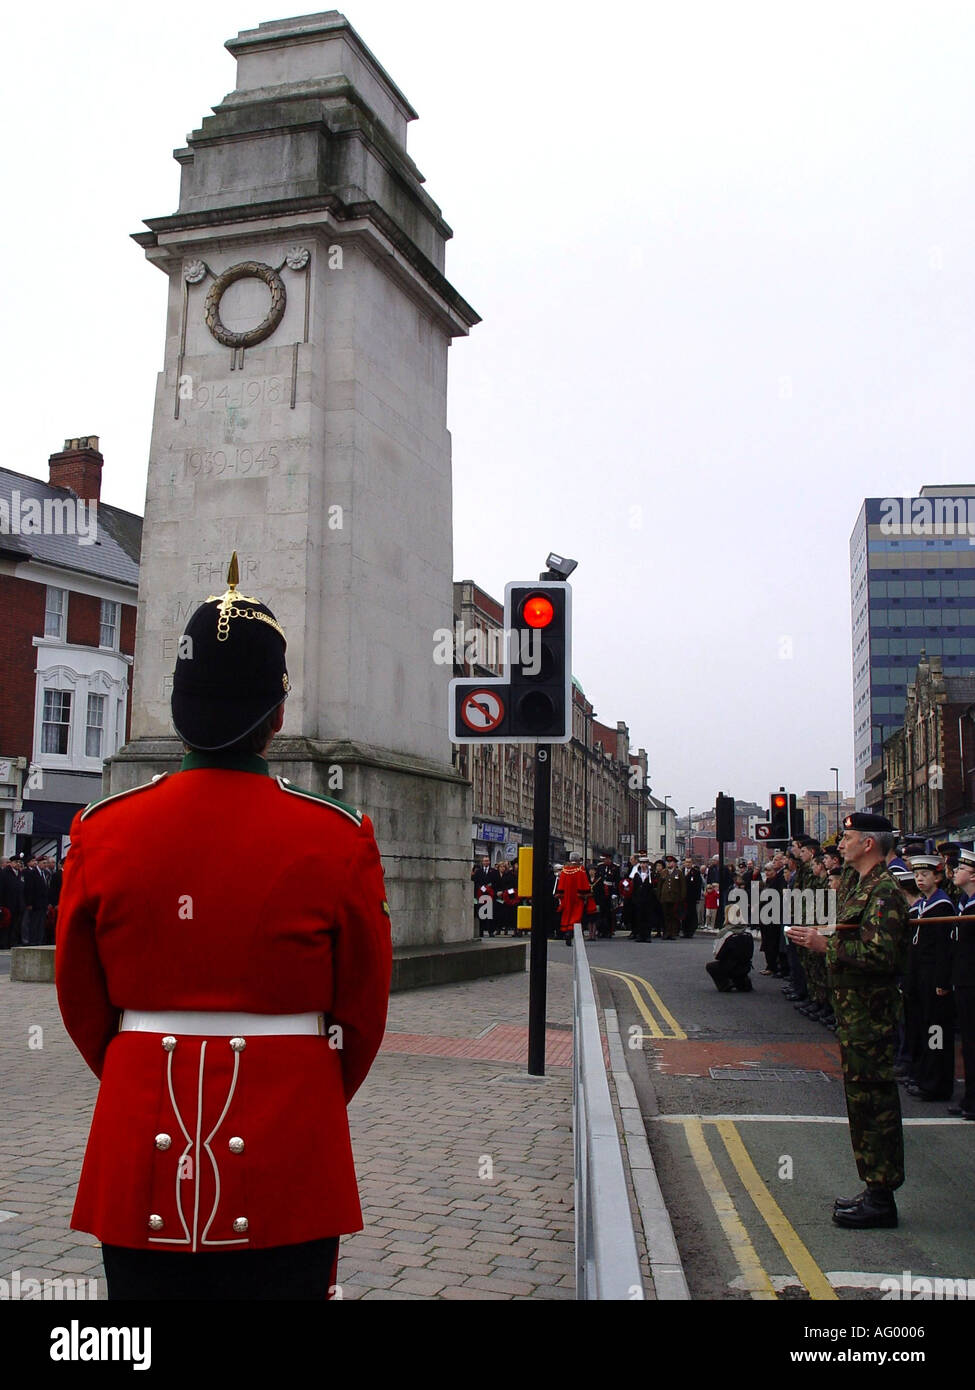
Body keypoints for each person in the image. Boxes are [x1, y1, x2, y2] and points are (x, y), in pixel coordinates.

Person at [55, 555, 392, 1299]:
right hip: (290, 1144)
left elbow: (81, 1005)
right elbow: (360, 1017)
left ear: (176, 705)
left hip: (138, 1131)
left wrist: (136, 1068)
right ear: (276, 715)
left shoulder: (102, 830)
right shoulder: (336, 838)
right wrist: (304, 1089)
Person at [788, 813, 908, 1230]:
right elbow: (853, 935)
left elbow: (883, 955)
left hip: (870, 1017)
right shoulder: (860, 885)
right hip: (854, 1014)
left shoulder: (885, 890)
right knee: (862, 1104)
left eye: (849, 837)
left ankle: (882, 1195)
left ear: (869, 844)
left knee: (875, 1104)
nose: (841, 844)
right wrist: (823, 936)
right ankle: (874, 1187)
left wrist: (826, 946)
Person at [949, 848, 975, 1120]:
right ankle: (970, 1095)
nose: (955, 872)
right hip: (964, 979)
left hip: (971, 980)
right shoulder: (963, 903)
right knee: (967, 1043)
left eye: (962, 869)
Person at [706, 914, 754, 992]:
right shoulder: (748, 934)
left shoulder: (726, 933)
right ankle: (742, 981)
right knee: (738, 965)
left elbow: (717, 954)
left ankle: (725, 984)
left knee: (711, 966)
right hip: (746, 966)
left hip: (730, 966)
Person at [555, 853, 591, 946]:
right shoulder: (580, 870)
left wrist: (560, 894)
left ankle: (567, 931)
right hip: (577, 897)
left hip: (567, 896)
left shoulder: (565, 870)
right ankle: (570, 932)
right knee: (576, 915)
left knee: (567, 913)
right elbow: (584, 883)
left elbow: (561, 884)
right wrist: (585, 894)